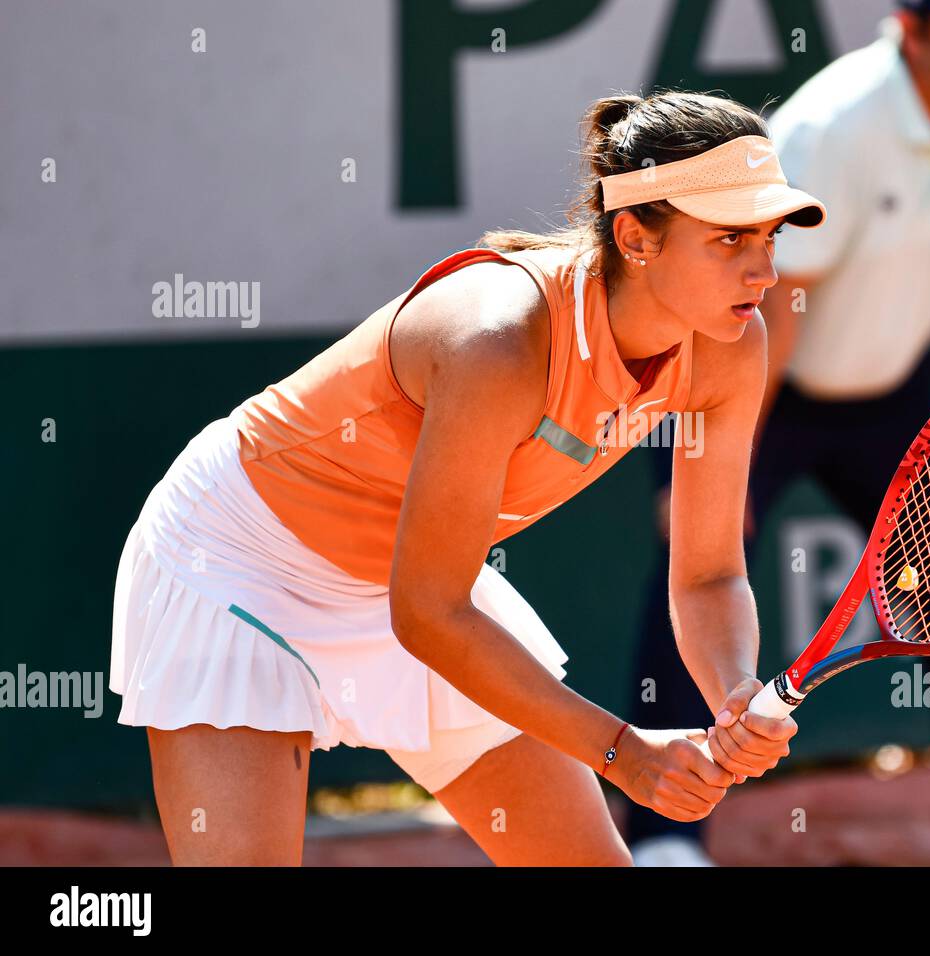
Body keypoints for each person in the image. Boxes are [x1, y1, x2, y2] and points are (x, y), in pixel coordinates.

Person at [109, 90, 827, 865]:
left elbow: (712, 574)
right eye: (728, 239)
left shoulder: (730, 343)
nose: (763, 267)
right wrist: (624, 752)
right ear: (635, 237)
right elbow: (430, 613)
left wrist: (733, 692)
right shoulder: (499, 340)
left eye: (768, 235)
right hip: (243, 567)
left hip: (420, 576)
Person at [625, 0, 930, 866]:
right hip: (753, 381)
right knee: (700, 572)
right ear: (913, 28)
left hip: (893, 394)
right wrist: (724, 465)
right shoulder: (835, 123)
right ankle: (667, 840)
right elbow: (769, 310)